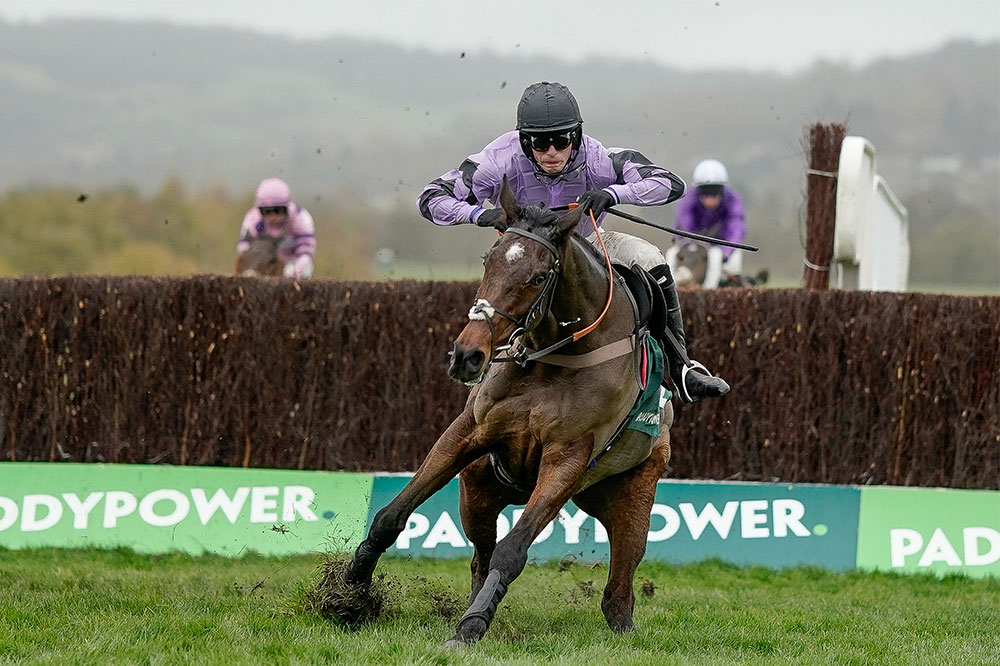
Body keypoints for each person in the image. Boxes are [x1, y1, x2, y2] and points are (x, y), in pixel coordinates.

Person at [417, 81, 729, 403]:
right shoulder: (496, 161)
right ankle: (475, 356)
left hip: (588, 244)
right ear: (524, 141)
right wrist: (477, 214)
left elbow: (670, 184)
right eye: (540, 143)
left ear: (576, 136)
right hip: (524, 259)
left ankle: (681, 369)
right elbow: (430, 198)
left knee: (649, 256)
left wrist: (613, 193)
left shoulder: (597, 158)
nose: (552, 152)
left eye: (562, 140)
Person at [673, 159, 746, 278]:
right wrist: (693, 249)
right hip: (693, 245)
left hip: (721, 245)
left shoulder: (733, 201)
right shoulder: (688, 199)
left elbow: (736, 230)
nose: (710, 199)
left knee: (733, 264)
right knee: (671, 256)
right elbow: (685, 226)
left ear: (722, 190)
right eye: (705, 192)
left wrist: (726, 253)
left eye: (715, 192)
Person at [236, 177, 316, 279]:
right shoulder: (253, 218)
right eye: (266, 211)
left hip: (292, 262)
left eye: (278, 210)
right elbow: (243, 250)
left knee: (304, 270)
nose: (273, 217)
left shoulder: (300, 217)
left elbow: (306, 253)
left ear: (286, 207)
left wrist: (295, 272)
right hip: (264, 264)